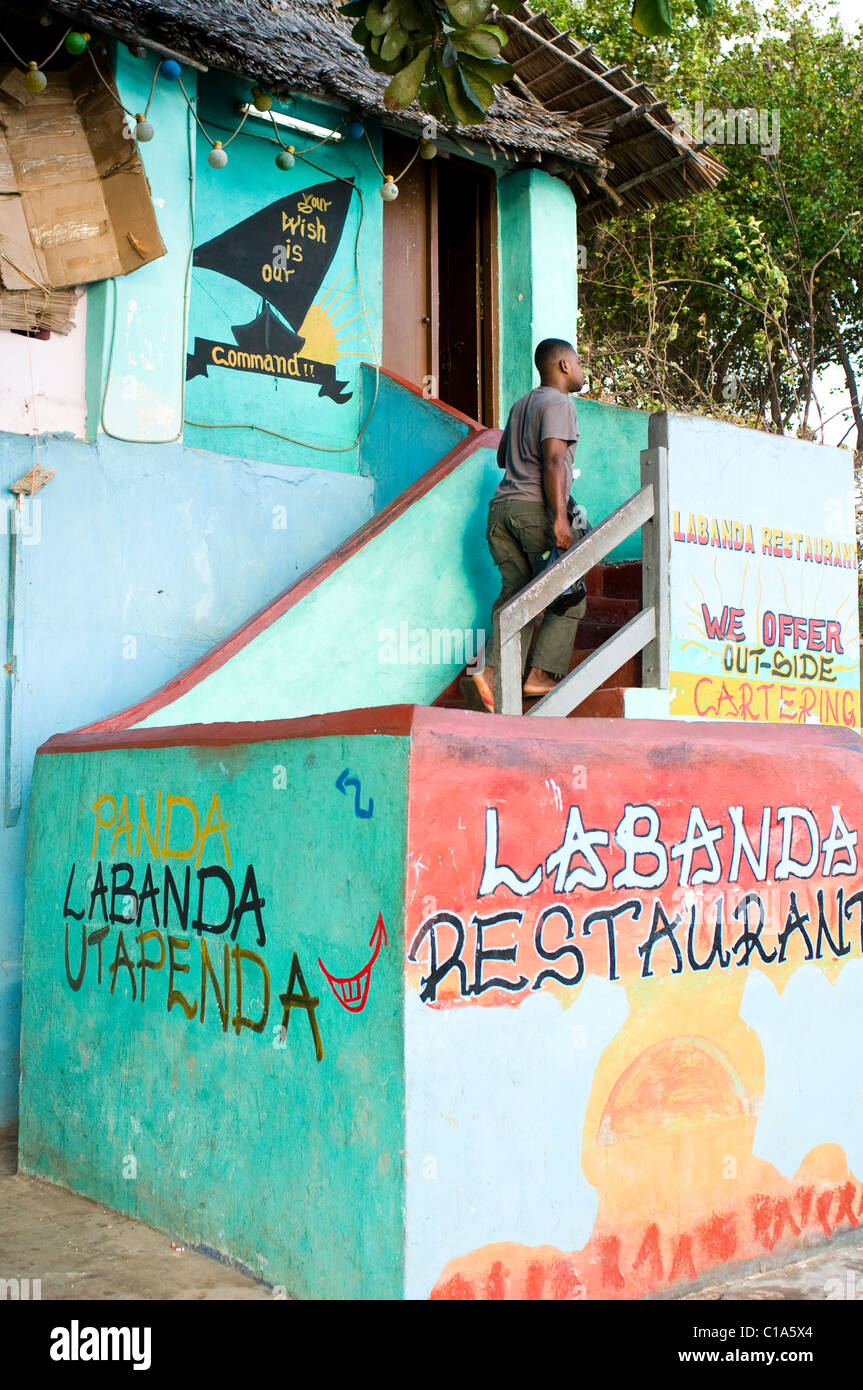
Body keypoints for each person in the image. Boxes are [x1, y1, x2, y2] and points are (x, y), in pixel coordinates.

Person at [473, 338, 586, 712]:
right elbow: (554, 461)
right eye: (579, 361)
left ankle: (491, 676)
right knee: (570, 590)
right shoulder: (560, 402)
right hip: (532, 512)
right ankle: (541, 674)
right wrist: (558, 518)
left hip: (500, 512)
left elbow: (504, 456)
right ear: (564, 366)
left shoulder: (522, 404)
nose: (583, 369)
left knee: (516, 596)